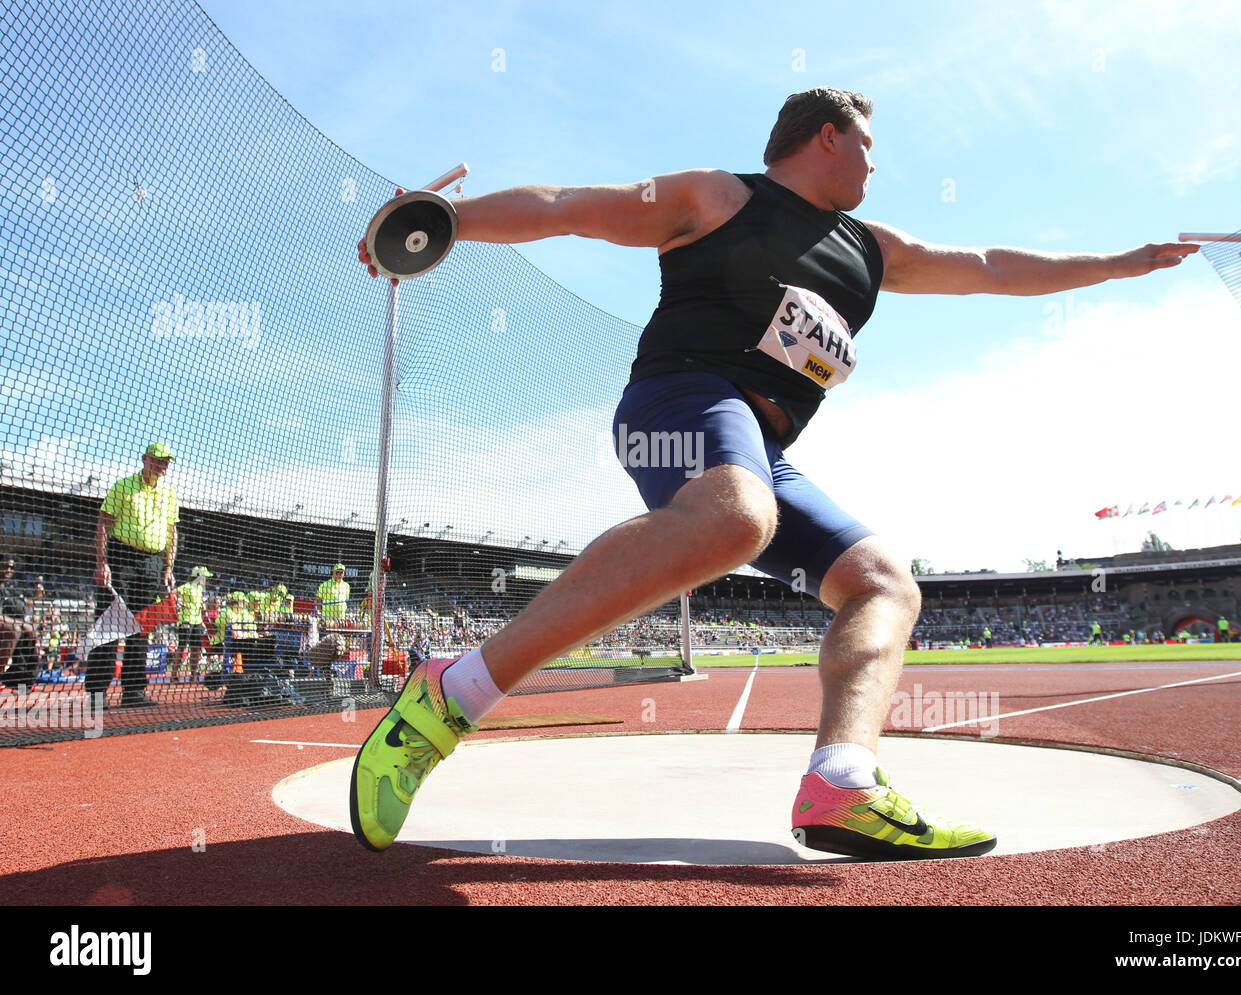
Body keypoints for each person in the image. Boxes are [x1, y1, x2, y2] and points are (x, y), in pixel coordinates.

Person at [352, 86, 1198, 859]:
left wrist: (1116, 264)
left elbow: (991, 270)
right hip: (679, 400)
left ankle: (843, 783)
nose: (877, 162)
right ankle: (448, 693)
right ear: (828, 137)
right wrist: (442, 218)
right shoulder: (719, 197)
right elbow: (570, 208)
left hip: (761, 449)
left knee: (885, 584)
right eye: (868, 143)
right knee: (736, 516)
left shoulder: (875, 249)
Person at [86, 442, 179, 707]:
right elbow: (104, 522)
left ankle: (133, 691)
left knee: (141, 628)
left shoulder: (169, 495)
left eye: (166, 462)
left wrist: (167, 567)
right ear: (144, 459)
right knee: (110, 624)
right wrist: (102, 562)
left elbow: (172, 533)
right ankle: (97, 692)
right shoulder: (123, 486)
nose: (162, 466)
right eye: (157, 460)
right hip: (121, 557)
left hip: (152, 563)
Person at [0, 557, 40, 690]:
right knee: (15, 629)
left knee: (31, 631)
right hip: (6, 627)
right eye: (5, 566)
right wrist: (20, 624)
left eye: (11, 567)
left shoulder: (7, 588)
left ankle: (22, 680)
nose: (8, 570)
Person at [173, 565, 212, 682]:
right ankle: (174, 675)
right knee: (182, 647)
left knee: (196, 648)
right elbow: (173, 593)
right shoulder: (187, 586)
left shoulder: (200, 589)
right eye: (204, 577)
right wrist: (179, 602)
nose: (205, 579)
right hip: (186, 620)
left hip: (197, 621)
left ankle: (193, 674)